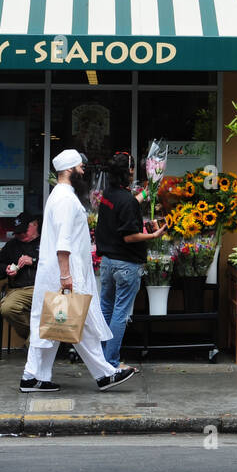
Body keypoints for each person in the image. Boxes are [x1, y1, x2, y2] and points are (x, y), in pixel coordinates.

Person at [21, 149, 137, 393]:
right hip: (65, 272)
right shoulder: (64, 198)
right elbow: (63, 241)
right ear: (68, 170)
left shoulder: (62, 195)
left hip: (63, 272)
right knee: (76, 320)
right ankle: (105, 374)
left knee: (55, 323)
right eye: (80, 168)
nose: (84, 172)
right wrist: (66, 275)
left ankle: (33, 377)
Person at [96, 154, 166, 370]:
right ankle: (111, 362)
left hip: (107, 263)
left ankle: (100, 360)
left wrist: (146, 192)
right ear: (129, 172)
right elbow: (129, 236)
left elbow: (125, 205)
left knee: (106, 310)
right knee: (120, 313)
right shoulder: (126, 200)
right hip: (126, 265)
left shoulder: (109, 195)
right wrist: (154, 235)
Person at [0, 212, 40, 342]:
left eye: (23, 231)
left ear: (34, 225)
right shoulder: (12, 245)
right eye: (17, 232)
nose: (20, 235)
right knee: (8, 308)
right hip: (20, 290)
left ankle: (39, 341)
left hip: (43, 287)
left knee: (57, 310)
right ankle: (35, 338)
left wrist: (33, 261)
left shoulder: (47, 242)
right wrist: (5, 269)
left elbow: (56, 264)